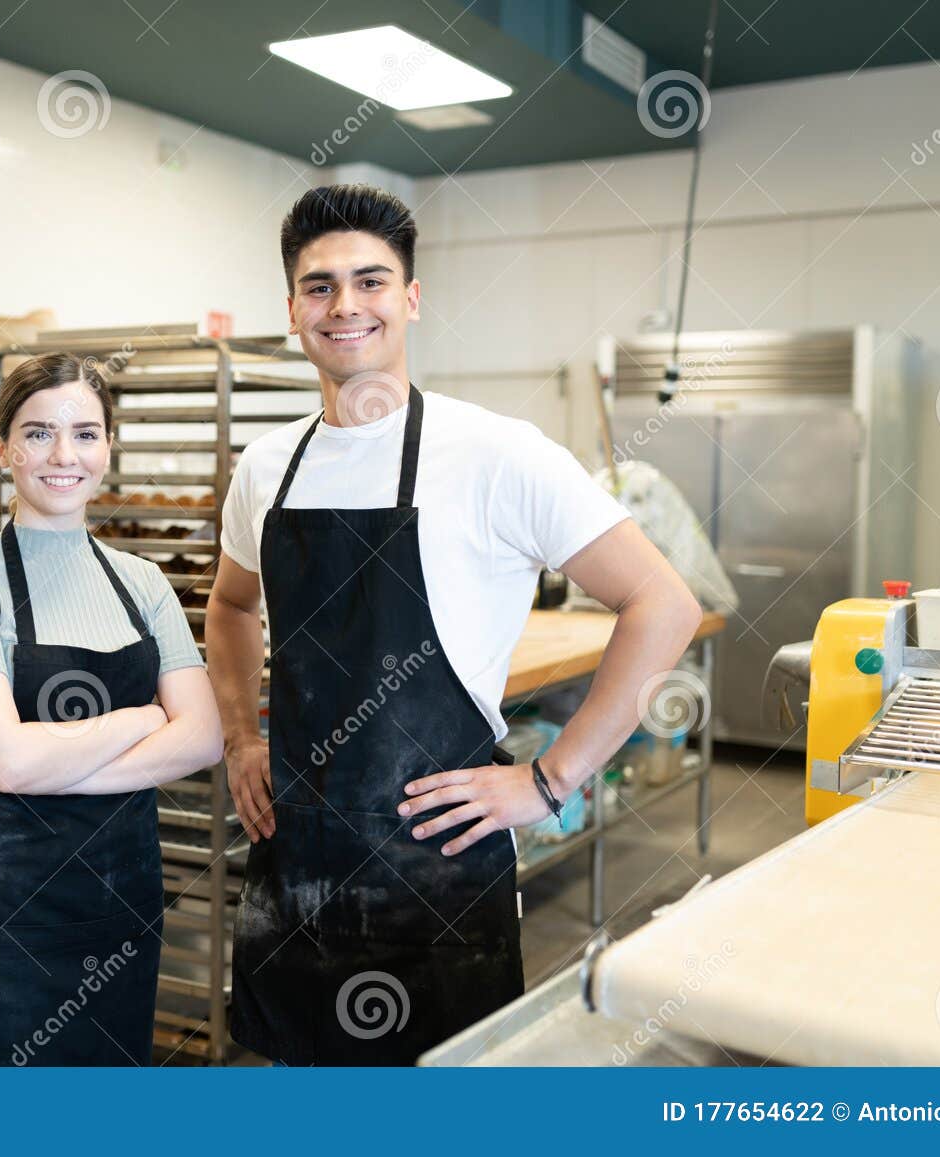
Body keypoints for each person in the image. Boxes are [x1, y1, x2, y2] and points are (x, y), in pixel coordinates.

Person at [206, 184, 703, 1065]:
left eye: (372, 281)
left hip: (433, 868)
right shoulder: (268, 464)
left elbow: (664, 604)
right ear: (293, 310)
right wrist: (243, 737)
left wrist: (552, 780)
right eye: (320, 287)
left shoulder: (495, 454)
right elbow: (232, 603)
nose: (346, 305)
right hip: (296, 860)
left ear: (412, 298)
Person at [0, 353, 223, 1067]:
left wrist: (39, 765)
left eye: (86, 433)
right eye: (38, 433)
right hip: (12, 906)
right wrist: (143, 719)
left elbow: (207, 736)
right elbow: (1, 758)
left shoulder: (144, 582)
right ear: (3, 450)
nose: (64, 455)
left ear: (108, 447)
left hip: (123, 894)